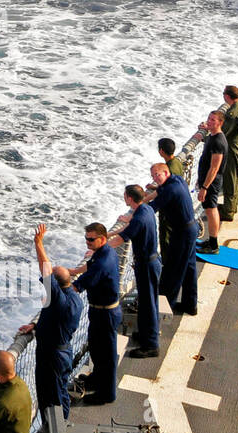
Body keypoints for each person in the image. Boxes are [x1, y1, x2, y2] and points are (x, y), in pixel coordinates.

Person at [17, 224, 83, 423]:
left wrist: (38, 243)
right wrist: (36, 326)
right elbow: (56, 322)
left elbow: (45, 270)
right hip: (62, 353)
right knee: (59, 393)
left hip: (52, 357)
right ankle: (59, 428)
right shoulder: (74, 299)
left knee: (51, 399)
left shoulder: (59, 301)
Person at [70, 222, 121, 405]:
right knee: (98, 350)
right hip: (100, 311)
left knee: (107, 355)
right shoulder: (104, 252)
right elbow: (88, 266)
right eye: (86, 239)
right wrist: (74, 271)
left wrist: (54, 282)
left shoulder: (102, 262)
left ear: (102, 239)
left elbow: (77, 286)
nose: (87, 242)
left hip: (105, 314)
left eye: (91, 239)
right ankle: (97, 379)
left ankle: (107, 394)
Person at [110, 186, 161, 357]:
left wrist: (99, 247)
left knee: (148, 305)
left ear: (129, 198)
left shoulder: (139, 218)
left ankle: (151, 346)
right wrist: (109, 234)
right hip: (151, 262)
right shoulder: (145, 210)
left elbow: (120, 240)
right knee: (148, 301)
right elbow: (127, 228)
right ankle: (146, 335)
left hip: (146, 265)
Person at [147, 163, 199, 315]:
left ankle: (164, 308)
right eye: (153, 176)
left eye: (157, 175)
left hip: (182, 233)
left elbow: (152, 208)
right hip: (190, 229)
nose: (155, 178)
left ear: (166, 172)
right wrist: (154, 187)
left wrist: (133, 213)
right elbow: (162, 191)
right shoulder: (177, 180)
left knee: (172, 270)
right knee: (189, 269)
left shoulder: (170, 189)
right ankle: (190, 305)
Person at [196, 111, 228, 254]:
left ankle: (214, 244)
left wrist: (204, 187)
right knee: (209, 209)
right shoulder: (212, 136)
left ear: (220, 123)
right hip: (207, 180)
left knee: (211, 209)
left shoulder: (218, 142)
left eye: (213, 120)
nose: (209, 121)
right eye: (209, 118)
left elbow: (214, 168)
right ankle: (211, 239)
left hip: (212, 183)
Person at [219, 86, 238, 221]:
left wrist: (207, 137)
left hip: (232, 150)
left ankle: (228, 211)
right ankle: (232, 207)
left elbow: (223, 134)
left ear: (227, 96)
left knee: (231, 181)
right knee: (236, 180)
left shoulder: (232, 114)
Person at [154, 137, 185, 255]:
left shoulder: (168, 168)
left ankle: (167, 262)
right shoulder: (177, 162)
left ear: (161, 151)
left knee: (166, 237)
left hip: (169, 209)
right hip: (178, 205)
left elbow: (166, 189)